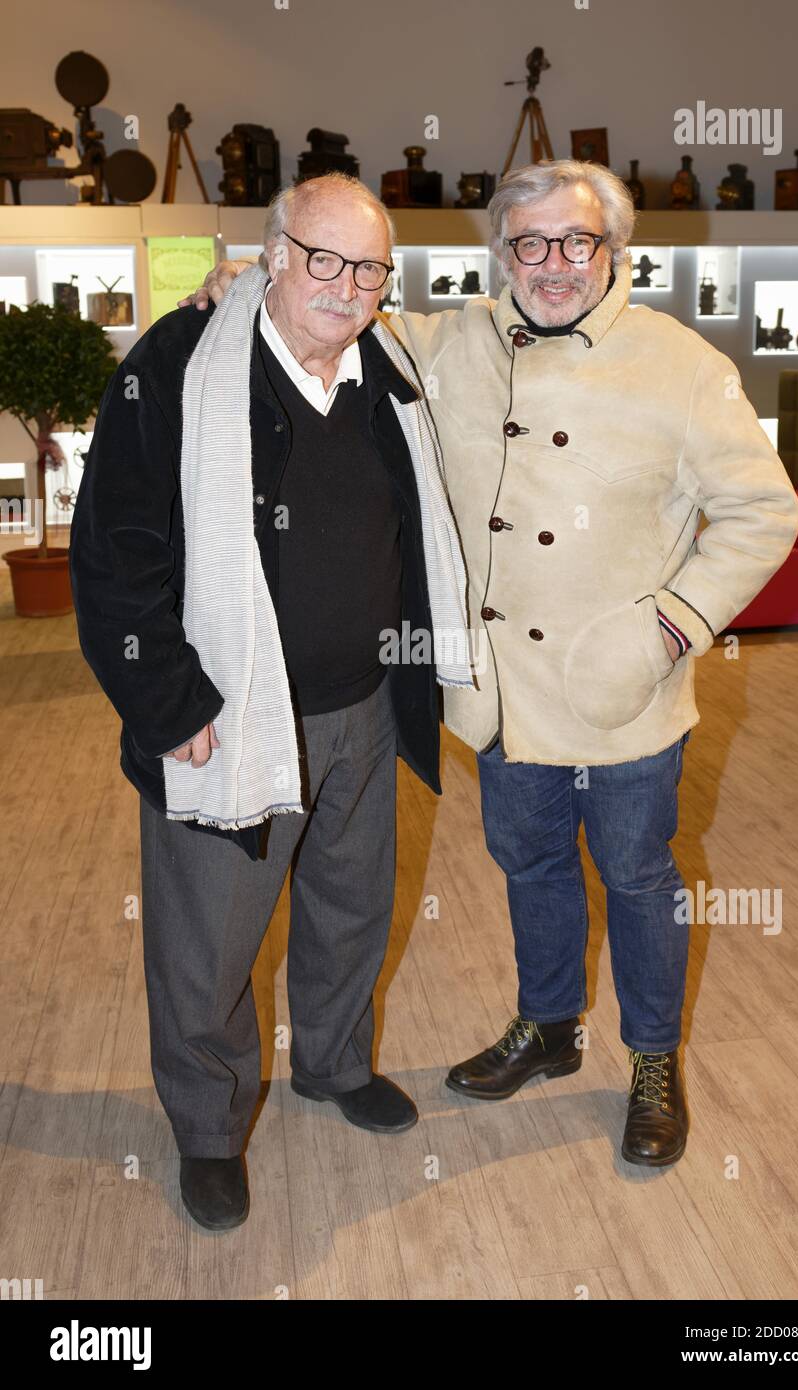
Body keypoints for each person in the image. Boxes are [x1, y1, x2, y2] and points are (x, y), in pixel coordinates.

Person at [193, 158, 798, 1168]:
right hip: (503, 698)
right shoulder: (448, 340)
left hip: (618, 693)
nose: (553, 265)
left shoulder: (681, 365)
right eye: (528, 243)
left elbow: (761, 509)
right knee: (529, 864)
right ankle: (548, 1023)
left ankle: (651, 1058)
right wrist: (246, 280)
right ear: (500, 254)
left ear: (614, 250)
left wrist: (669, 626)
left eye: (576, 242)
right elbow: (334, 306)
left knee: (639, 878)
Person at [69, 173, 473, 1230]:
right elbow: (116, 548)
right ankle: (208, 1127)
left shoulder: (388, 366)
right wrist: (166, 703)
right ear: (272, 254)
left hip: (361, 707)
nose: (347, 286)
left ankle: (332, 1065)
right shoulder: (185, 361)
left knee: (350, 911)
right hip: (227, 713)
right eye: (324, 258)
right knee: (207, 943)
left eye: (371, 266)